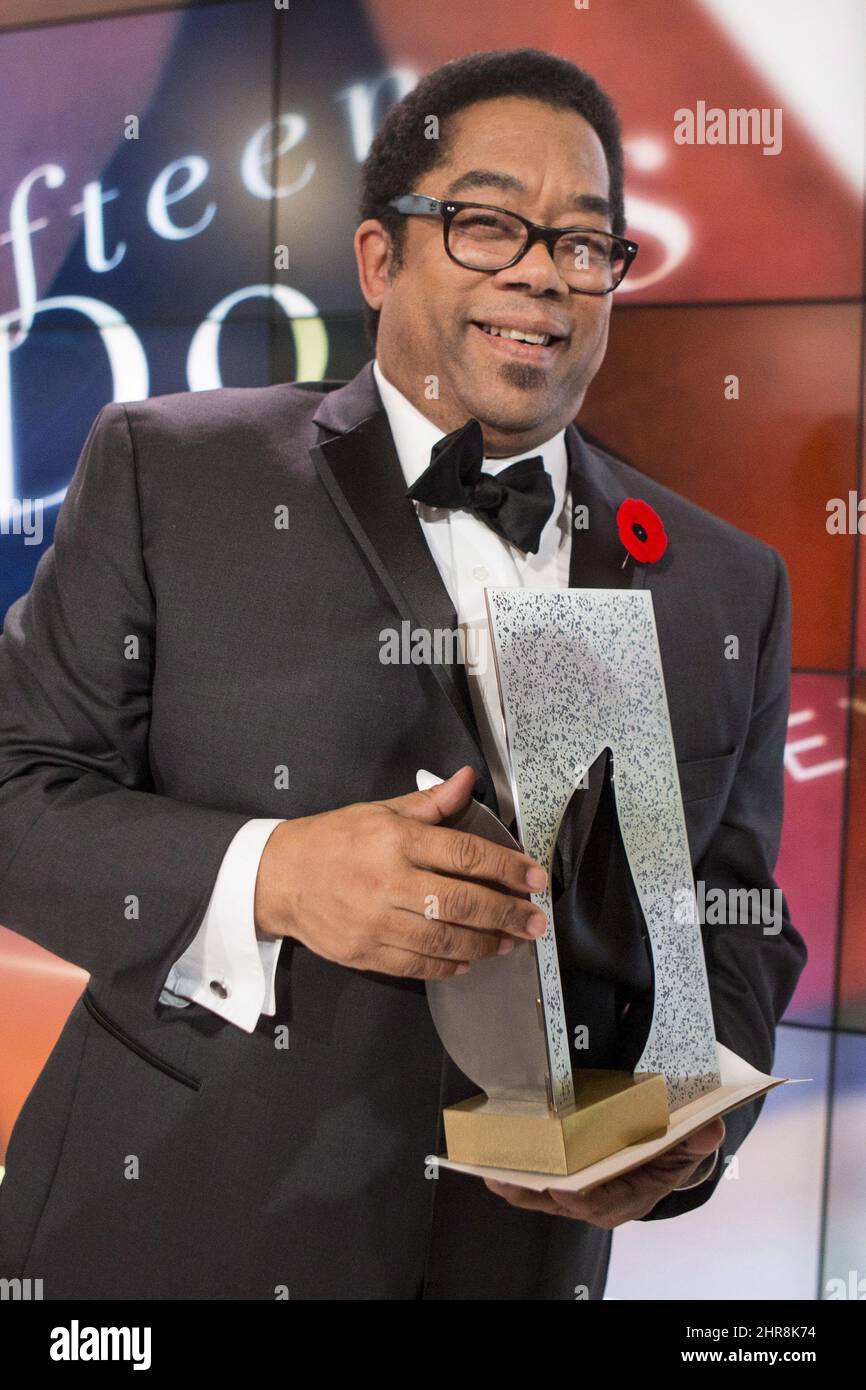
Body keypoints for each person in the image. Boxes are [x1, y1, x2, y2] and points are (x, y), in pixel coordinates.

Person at [0, 48, 806, 1300]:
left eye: (584, 242)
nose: (541, 270)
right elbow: (15, 794)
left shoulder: (723, 582)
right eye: (486, 224)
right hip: (164, 1242)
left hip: (521, 1267)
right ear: (379, 258)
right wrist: (274, 873)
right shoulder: (174, 474)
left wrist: (686, 1133)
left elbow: (734, 914)